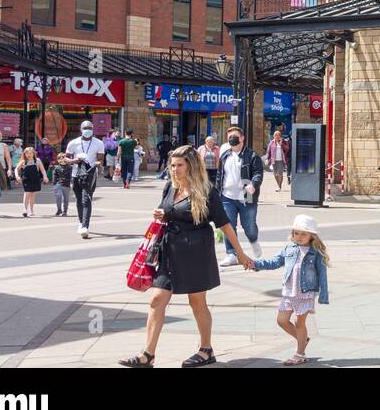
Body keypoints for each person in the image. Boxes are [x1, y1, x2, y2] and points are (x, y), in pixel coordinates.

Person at [118, 146, 254, 368]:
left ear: (191, 165)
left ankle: (206, 349)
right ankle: (148, 354)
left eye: (180, 165)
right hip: (169, 250)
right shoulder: (170, 187)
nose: (175, 169)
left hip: (196, 251)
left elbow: (224, 223)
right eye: (172, 165)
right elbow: (166, 210)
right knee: (157, 299)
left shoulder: (206, 190)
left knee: (197, 301)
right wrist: (160, 213)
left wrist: (239, 253)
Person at [250, 214, 330, 365]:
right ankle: (303, 339)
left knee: (300, 324)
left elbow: (322, 274)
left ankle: (300, 354)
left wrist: (323, 295)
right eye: (296, 233)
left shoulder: (316, 253)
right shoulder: (288, 249)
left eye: (303, 234)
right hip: (288, 293)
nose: (299, 237)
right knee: (282, 320)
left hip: (305, 294)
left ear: (311, 236)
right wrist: (256, 264)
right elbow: (274, 262)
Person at [217, 128, 263, 266]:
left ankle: (253, 240)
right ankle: (231, 254)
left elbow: (258, 173)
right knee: (228, 226)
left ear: (242, 138)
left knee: (248, 225)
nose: (231, 138)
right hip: (227, 197)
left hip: (246, 196)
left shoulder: (252, 155)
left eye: (234, 136)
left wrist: (253, 184)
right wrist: (215, 192)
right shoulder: (225, 155)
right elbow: (219, 175)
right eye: (229, 136)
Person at [65, 120, 105, 238]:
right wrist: (74, 161)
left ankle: (85, 226)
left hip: (90, 174)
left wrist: (98, 163)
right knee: (78, 200)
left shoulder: (98, 143)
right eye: (86, 128)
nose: (88, 130)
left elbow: (101, 159)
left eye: (90, 128)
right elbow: (65, 158)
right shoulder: (73, 143)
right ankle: (81, 222)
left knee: (86, 199)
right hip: (76, 174)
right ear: (81, 129)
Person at [14, 145, 48, 218]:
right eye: (27, 153)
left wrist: (45, 177)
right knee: (27, 194)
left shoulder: (37, 160)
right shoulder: (23, 161)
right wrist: (17, 176)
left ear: (33, 153)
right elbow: (16, 169)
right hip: (26, 180)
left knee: (33, 195)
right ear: (24, 154)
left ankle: (31, 210)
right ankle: (25, 209)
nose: (29, 155)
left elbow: (42, 170)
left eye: (30, 153)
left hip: (35, 179)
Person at [266, 127, 290, 191]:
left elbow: (287, 149)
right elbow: (268, 151)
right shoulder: (271, 142)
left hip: (281, 160)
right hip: (274, 160)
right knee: (275, 174)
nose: (276, 136)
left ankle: (279, 187)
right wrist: (266, 159)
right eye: (275, 135)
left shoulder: (284, 141)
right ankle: (278, 185)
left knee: (280, 174)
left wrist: (281, 144)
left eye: (278, 135)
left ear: (280, 136)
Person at [51, 150, 73, 217]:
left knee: (66, 199)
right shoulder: (57, 167)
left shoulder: (70, 167)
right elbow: (54, 176)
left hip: (66, 184)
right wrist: (54, 184)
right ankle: (59, 209)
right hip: (58, 184)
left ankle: (65, 211)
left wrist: (71, 183)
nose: (61, 160)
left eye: (62, 158)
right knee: (59, 196)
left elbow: (71, 176)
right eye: (59, 159)